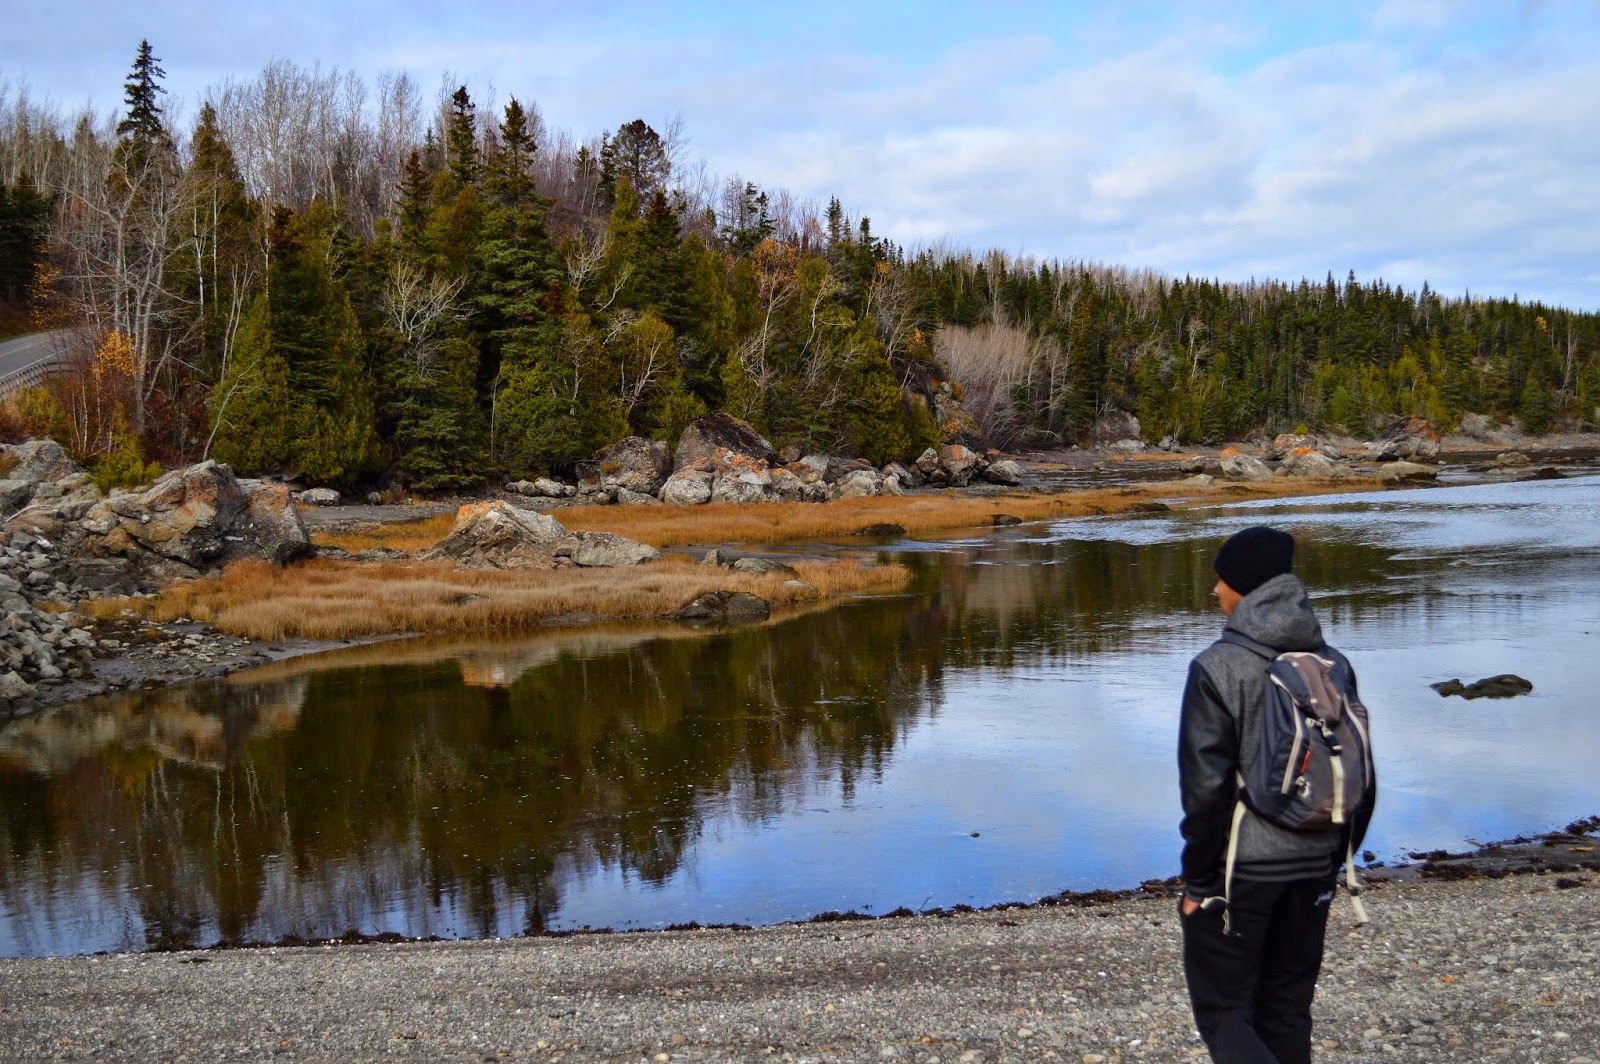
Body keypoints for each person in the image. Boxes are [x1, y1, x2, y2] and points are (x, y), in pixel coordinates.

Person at [1177, 526, 1376, 1064]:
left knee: (1223, 1013)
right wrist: (1336, 855)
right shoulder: (1333, 660)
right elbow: (1361, 770)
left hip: (1243, 873)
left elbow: (1205, 793)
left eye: (1220, 578)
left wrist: (1199, 884)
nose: (1214, 590)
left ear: (1242, 586)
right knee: (1286, 1008)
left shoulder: (1217, 667)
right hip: (1316, 862)